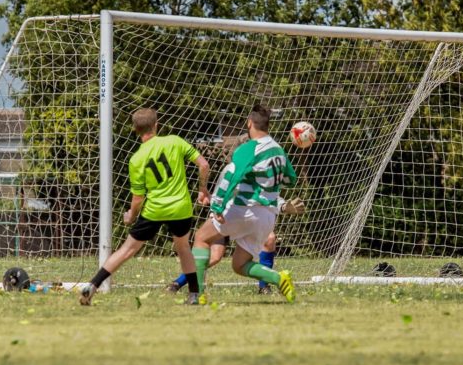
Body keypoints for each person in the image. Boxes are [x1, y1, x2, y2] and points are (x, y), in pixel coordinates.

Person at [80, 107, 210, 306]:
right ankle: (193, 294)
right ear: (156, 125)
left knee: (126, 250)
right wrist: (203, 189)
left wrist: (131, 216)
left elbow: (138, 198)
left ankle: (93, 285)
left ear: (135, 130)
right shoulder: (174, 141)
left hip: (154, 210)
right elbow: (204, 165)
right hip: (180, 207)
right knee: (183, 248)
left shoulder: (136, 159)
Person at [191, 104, 302, 304]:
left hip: (245, 209)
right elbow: (290, 179)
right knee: (239, 265)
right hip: (267, 218)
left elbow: (231, 176)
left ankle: (196, 295)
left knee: (201, 237)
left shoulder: (249, 148)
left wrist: (216, 206)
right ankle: (279, 278)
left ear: (249, 123)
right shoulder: (278, 149)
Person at [168, 232, 278, 294]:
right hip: (227, 219)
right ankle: (177, 283)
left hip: (248, 221)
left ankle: (264, 287)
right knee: (214, 257)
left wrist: (283, 206)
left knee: (270, 238)